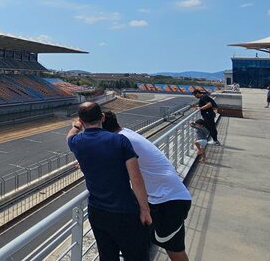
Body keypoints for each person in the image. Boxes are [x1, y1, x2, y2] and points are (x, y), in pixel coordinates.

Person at [102, 111, 192, 261]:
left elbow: (113, 168)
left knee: (174, 250)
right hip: (159, 199)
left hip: (169, 201)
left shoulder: (121, 140)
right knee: (143, 240)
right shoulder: (125, 134)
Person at [67, 102, 152, 261]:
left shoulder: (76, 142)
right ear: (102, 117)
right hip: (125, 211)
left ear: (81, 120)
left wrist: (77, 126)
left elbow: (69, 136)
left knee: (107, 256)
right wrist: (145, 209)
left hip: (97, 211)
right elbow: (136, 178)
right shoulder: (120, 141)